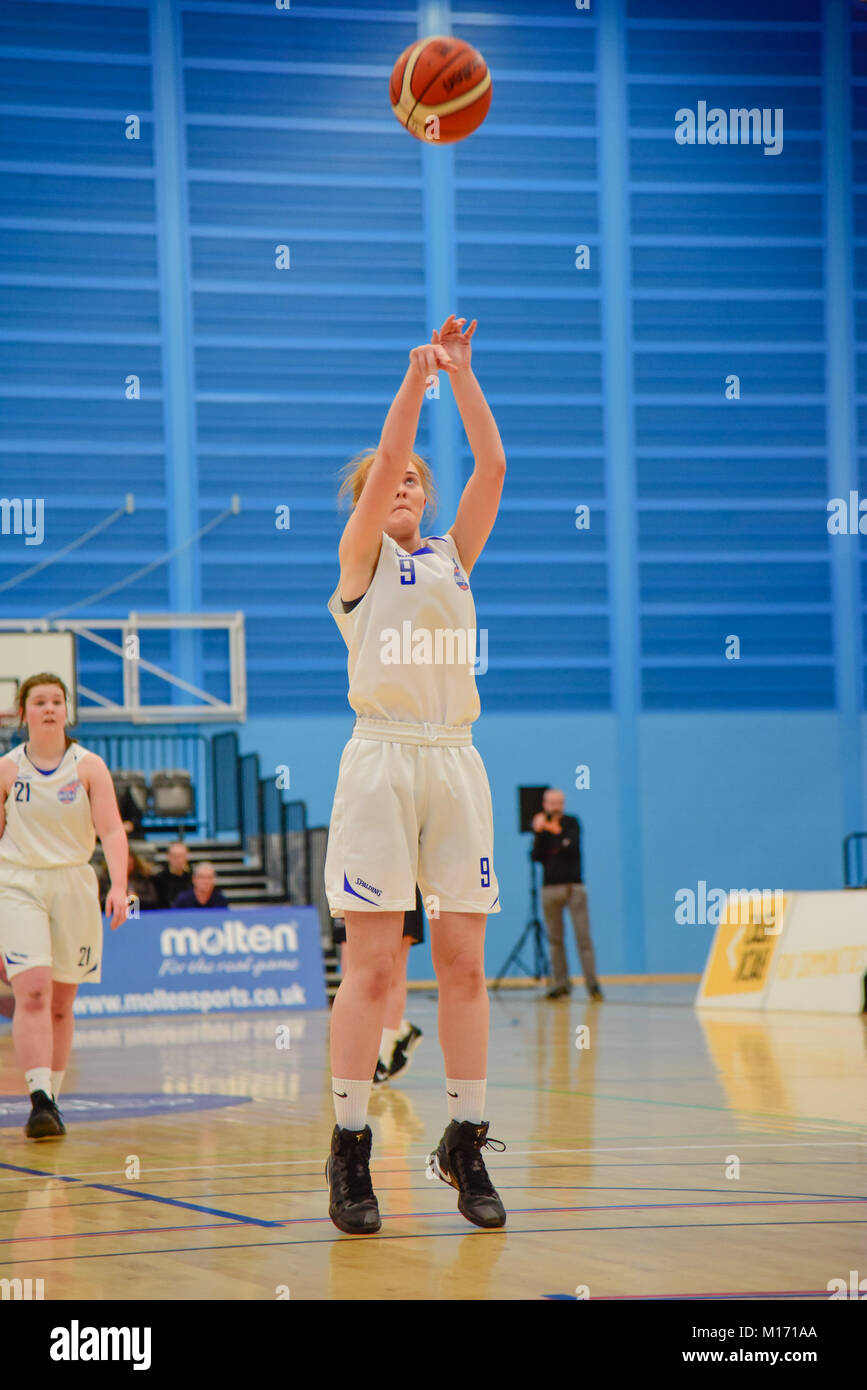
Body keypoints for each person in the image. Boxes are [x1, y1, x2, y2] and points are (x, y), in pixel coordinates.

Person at [324, 313, 507, 1235]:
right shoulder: (361, 561)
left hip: (454, 760)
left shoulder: (453, 557)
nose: (403, 481)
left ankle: (464, 1138)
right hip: (381, 759)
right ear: (367, 501)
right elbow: (395, 444)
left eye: (413, 480)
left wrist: (461, 375)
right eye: (387, 480)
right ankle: (350, 1145)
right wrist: (414, 382)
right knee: (369, 963)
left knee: (466, 964)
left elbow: (492, 469)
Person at [0, 672, 129, 1138]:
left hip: (75, 882)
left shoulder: (89, 766)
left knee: (62, 1002)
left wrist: (118, 887)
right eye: (40, 701)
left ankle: (51, 1099)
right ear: (24, 713)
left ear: (66, 711)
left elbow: (113, 831)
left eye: (57, 700)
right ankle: (37, 1097)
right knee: (32, 991)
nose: (50, 708)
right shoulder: (8, 769)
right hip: (17, 883)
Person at [333, 885, 425, 1085]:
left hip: (399, 877)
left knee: (392, 971)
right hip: (353, 875)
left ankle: (382, 1057)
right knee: (351, 973)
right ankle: (395, 1032)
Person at [532, 786, 603, 1001]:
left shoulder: (572, 823)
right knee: (555, 940)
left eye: (559, 803)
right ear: (545, 805)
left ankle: (592, 984)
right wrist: (539, 832)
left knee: (583, 937)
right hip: (549, 889)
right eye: (552, 803)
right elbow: (536, 856)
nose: (556, 807)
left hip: (573, 888)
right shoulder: (541, 829)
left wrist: (554, 830)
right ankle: (561, 984)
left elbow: (570, 847)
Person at [98, 845, 159, 912]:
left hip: (141, 914)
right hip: (112, 914)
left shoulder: (143, 878)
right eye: (123, 865)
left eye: (129, 864)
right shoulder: (104, 879)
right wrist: (116, 898)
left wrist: (136, 896)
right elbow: (99, 900)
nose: (126, 868)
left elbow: (153, 899)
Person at [152, 839, 193, 908]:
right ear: (168, 857)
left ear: (186, 856)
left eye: (181, 856)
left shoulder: (193, 877)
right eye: (174, 856)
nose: (178, 860)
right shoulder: (159, 879)